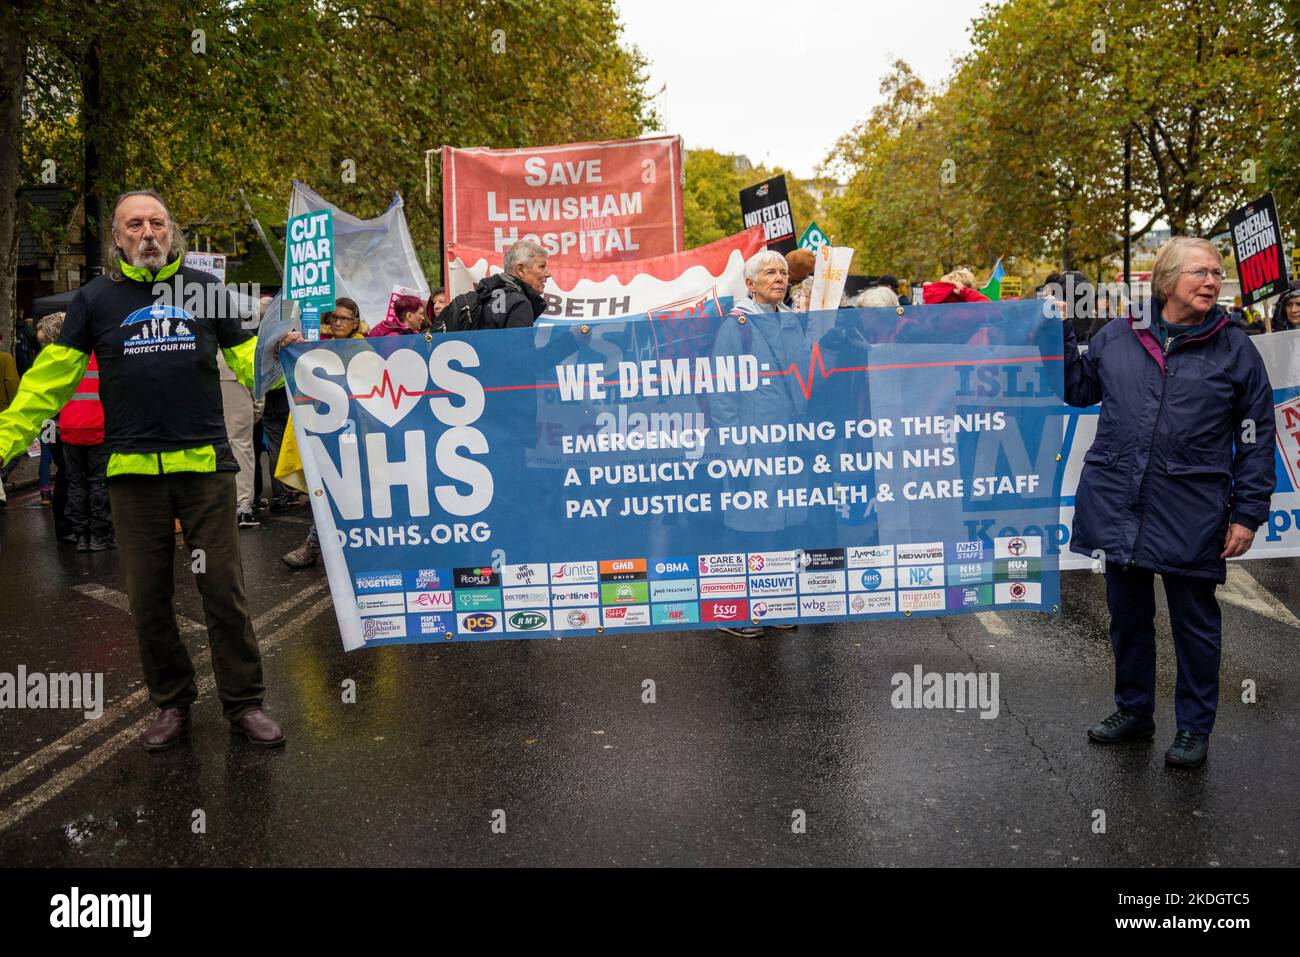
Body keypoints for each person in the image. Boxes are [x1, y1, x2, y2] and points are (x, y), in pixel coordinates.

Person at [0, 189, 298, 751]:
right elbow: (47, 384)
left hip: (205, 467)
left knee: (224, 591)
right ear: (117, 238)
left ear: (172, 232)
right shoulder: (95, 300)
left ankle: (245, 704)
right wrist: (3, 443)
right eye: (134, 225)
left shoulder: (206, 293)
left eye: (157, 223)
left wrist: (286, 355)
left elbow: (250, 364)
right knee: (148, 596)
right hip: (133, 475)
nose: (147, 233)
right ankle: (172, 703)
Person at [1061, 236, 1275, 769]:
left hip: (1192, 511)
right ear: (1166, 281)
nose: (1212, 282)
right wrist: (1060, 329)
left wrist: (1248, 514)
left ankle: (1193, 729)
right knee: (1127, 620)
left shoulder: (1234, 348)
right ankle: (1134, 712)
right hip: (1120, 506)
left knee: (1194, 626)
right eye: (1201, 272)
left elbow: (1255, 436)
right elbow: (1079, 389)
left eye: (1216, 274)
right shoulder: (1119, 334)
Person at [711, 250, 806, 639]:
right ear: (749, 284)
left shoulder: (791, 320)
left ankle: (773, 604)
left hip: (788, 445)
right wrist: (735, 452)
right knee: (747, 531)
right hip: (752, 448)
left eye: (783, 272)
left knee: (780, 530)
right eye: (769, 272)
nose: (779, 278)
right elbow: (722, 395)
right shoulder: (737, 326)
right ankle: (734, 610)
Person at [282, 298, 366, 570]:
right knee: (328, 492)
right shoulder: (322, 348)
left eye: (344, 318)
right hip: (327, 433)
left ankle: (320, 547)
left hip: (356, 434)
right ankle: (317, 546)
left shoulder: (364, 348)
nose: (338, 322)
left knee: (350, 493)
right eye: (334, 318)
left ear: (356, 322)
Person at [38, 311, 113, 550]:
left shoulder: (62, 358)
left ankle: (80, 536)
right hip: (97, 426)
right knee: (98, 483)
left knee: (76, 484)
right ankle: (99, 535)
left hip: (69, 427)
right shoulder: (99, 354)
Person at [921, 267, 991, 304]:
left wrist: (930, 290)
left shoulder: (930, 301)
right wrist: (965, 292)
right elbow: (991, 308)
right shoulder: (961, 310)